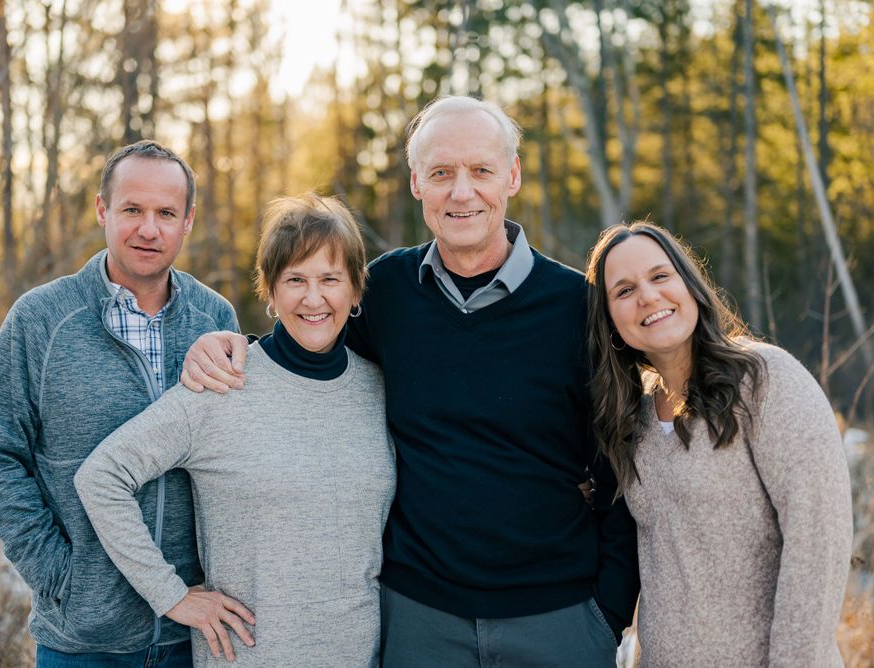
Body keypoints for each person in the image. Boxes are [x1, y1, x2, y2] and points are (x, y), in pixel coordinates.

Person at [182, 96, 640, 667]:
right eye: (442, 173)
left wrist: (606, 614)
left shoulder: (578, 307)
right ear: (417, 182)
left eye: (481, 171)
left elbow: (623, 464)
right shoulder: (387, 291)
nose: (462, 192)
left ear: (513, 176)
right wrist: (232, 346)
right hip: (420, 620)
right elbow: (307, 350)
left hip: (558, 619)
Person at [74, 192, 395, 667]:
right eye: (295, 280)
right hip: (248, 657)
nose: (313, 298)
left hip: (359, 653)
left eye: (330, 279)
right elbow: (101, 477)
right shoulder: (222, 383)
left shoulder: (378, 388)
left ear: (355, 291)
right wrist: (171, 595)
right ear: (269, 290)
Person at [0, 140, 242, 667]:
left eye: (166, 213)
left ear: (187, 221)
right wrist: (63, 580)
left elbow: (230, 463)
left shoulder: (214, 319)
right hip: (83, 643)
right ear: (102, 210)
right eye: (132, 210)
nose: (148, 229)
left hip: (197, 636)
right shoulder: (40, 320)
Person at [584, 221, 853, 666]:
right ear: (610, 321)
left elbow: (819, 536)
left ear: (689, 284)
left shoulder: (764, 380)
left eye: (660, 276)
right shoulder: (634, 421)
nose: (648, 297)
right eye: (624, 290)